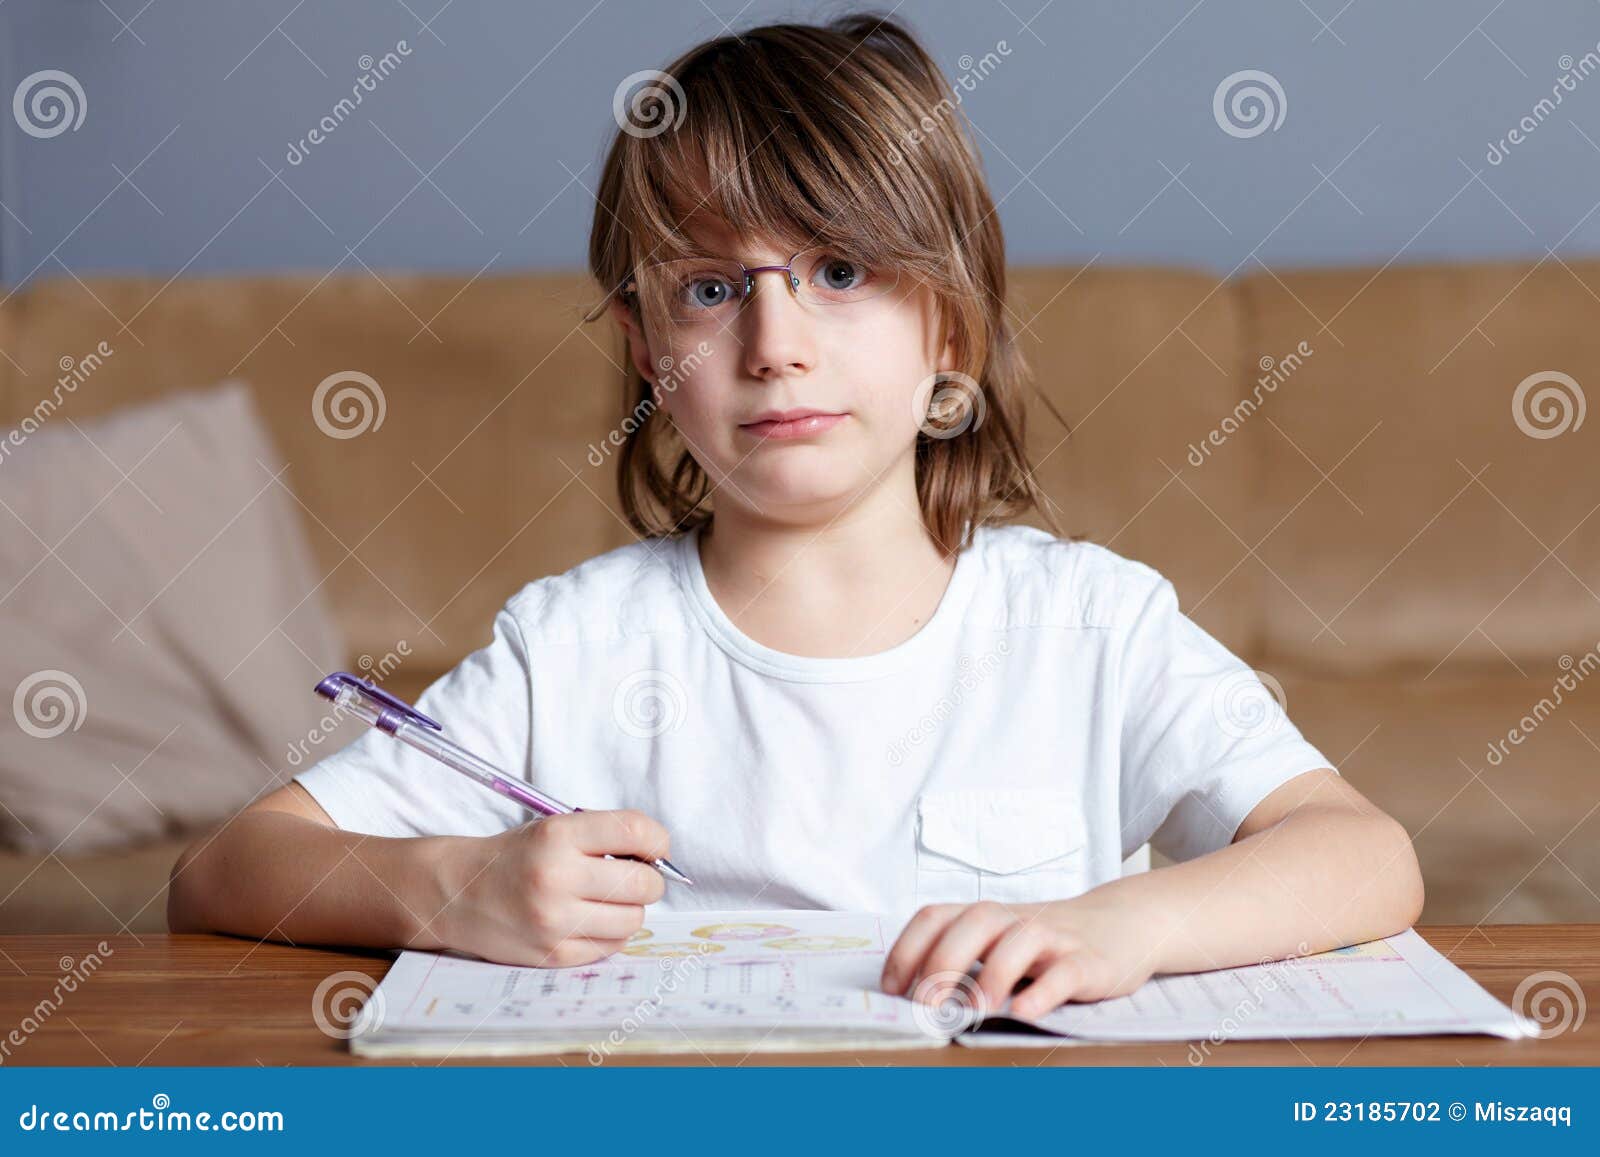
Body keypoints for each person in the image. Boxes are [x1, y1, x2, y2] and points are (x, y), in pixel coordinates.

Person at [168, 13, 1422, 1021]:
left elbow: (1365, 855)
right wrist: (450, 884)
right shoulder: (571, 648)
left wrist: (1123, 922)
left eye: (838, 270)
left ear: (951, 324)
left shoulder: (1089, 624)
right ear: (647, 349)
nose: (774, 344)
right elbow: (219, 872)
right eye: (711, 289)